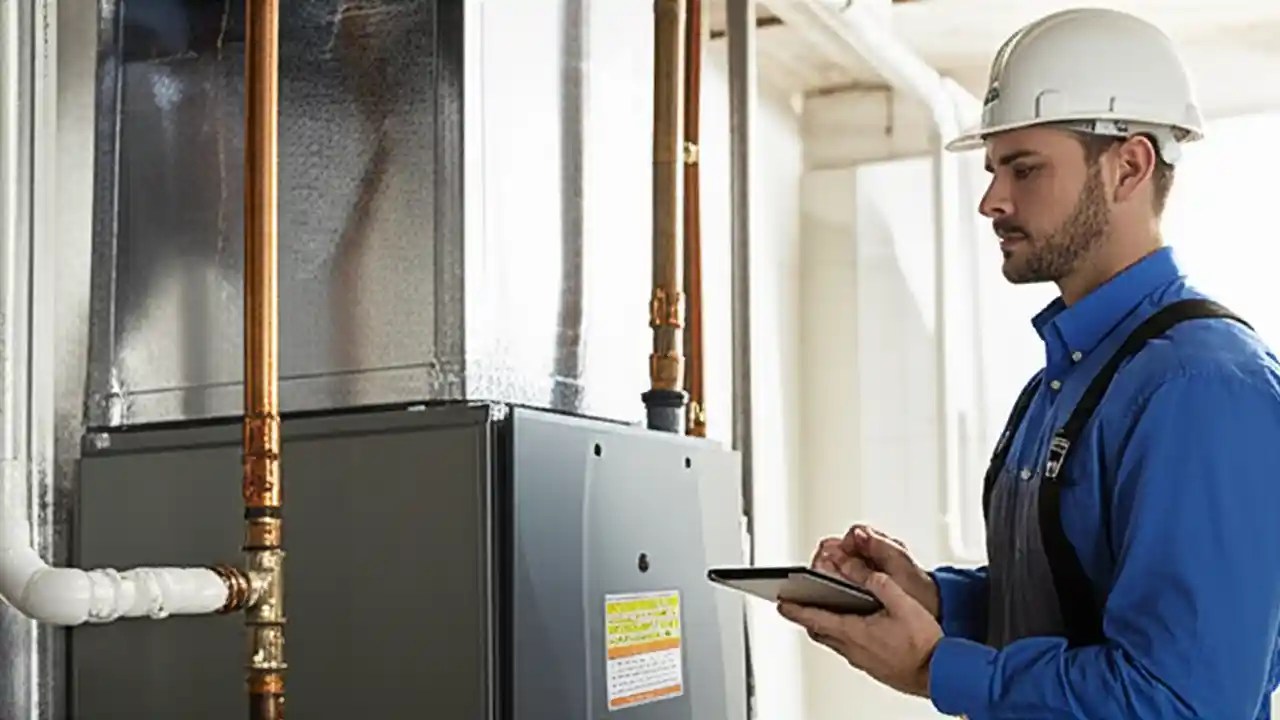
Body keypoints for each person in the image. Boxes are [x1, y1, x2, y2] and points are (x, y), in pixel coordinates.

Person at [776, 7, 1280, 719]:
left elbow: (1185, 701)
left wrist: (933, 668)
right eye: (993, 169)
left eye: (1023, 167)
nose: (991, 200)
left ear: (1127, 166)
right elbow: (1069, 609)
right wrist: (934, 600)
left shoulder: (1200, 386)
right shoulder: (1063, 382)